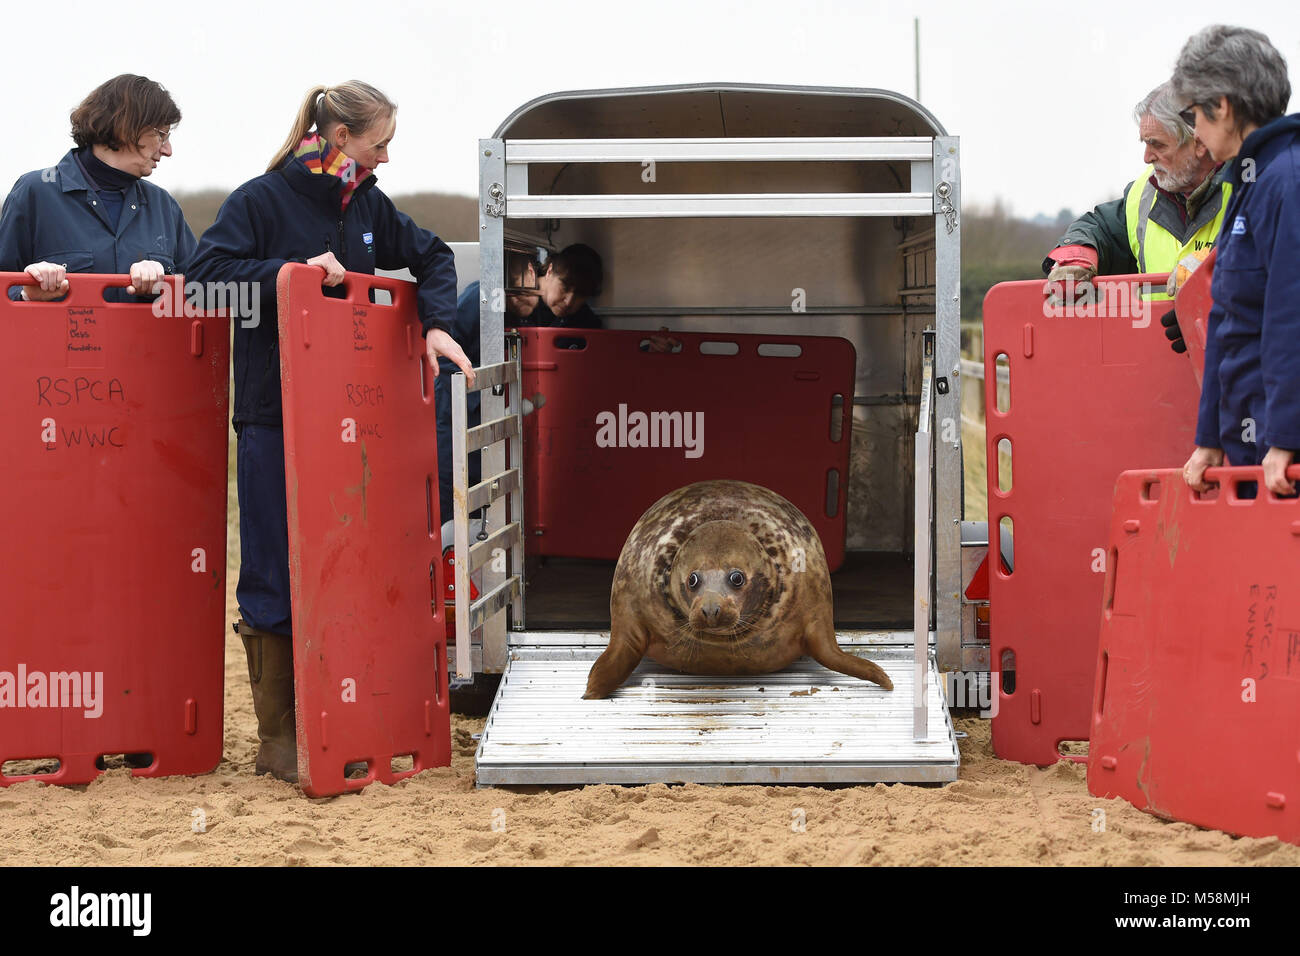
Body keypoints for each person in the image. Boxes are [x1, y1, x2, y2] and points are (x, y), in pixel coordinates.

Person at [187, 82, 474, 783]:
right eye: (379, 144)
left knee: (351, 564)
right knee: (273, 569)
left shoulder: (369, 204)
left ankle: (348, 710)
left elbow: (435, 257)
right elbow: (203, 284)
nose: (386, 158)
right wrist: (289, 275)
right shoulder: (259, 199)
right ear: (340, 138)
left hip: (354, 423)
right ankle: (280, 739)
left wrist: (435, 323)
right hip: (270, 418)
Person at [1171, 26, 1299, 498]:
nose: (1196, 134)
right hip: (1250, 449)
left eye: (1193, 116)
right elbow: (1230, 320)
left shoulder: (1288, 181)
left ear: (1221, 106)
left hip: (1279, 460)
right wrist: (1210, 438)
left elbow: (1291, 317)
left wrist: (1287, 438)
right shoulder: (1247, 182)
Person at [435, 243, 605, 527]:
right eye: (566, 287)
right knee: (460, 523)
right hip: (465, 431)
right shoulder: (486, 297)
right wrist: (489, 403)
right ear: (548, 270)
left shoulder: (569, 319)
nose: (569, 300)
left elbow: (606, 352)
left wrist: (652, 347)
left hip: (522, 446)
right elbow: (445, 363)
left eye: (581, 295)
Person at [0, 74, 195, 301]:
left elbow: (204, 294)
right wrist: (26, 294)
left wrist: (167, 284)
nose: (167, 150)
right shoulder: (34, 193)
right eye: (162, 135)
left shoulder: (164, 207)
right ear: (126, 126)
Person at [1044, 81, 1230, 305]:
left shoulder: (1253, 187)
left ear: (1199, 143)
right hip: (1155, 338)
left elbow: (1265, 255)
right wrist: (1076, 258)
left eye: (1157, 145)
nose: (1147, 157)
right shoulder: (1144, 192)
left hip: (1230, 338)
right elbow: (1102, 228)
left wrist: (1215, 267)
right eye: (1145, 143)